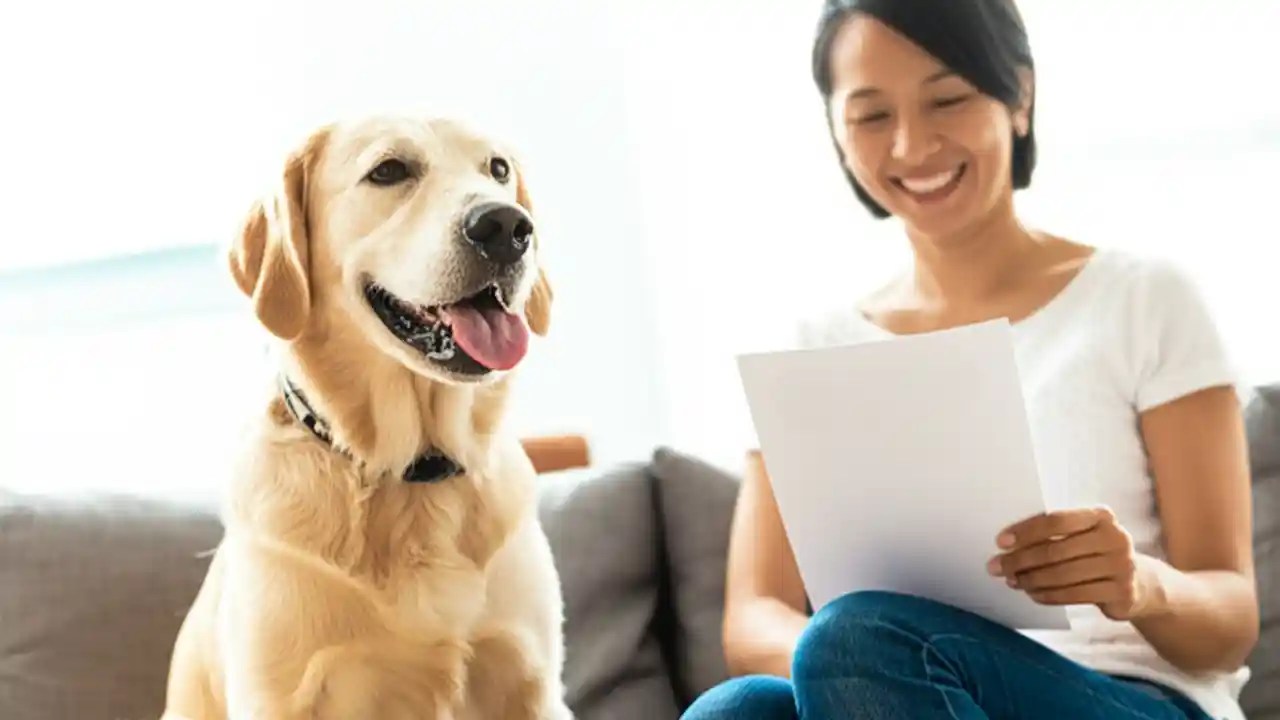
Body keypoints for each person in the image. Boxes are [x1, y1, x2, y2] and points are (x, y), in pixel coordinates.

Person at [680, 1, 1260, 718]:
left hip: (1130, 697)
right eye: (870, 116)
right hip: (881, 678)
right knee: (734, 710)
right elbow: (755, 614)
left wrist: (1140, 585)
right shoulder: (814, 346)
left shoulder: (1142, 299)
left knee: (858, 638)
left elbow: (1230, 622)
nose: (912, 146)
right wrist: (855, 669)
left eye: (948, 99)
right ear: (834, 130)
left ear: (1019, 96)